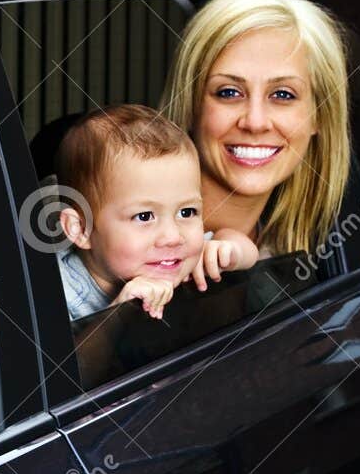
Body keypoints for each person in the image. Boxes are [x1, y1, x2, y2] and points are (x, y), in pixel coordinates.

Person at [160, 0, 351, 262]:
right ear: (190, 105)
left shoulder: (283, 255)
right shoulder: (133, 251)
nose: (255, 122)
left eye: (283, 94)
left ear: (319, 115)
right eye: (229, 92)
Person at [52, 104, 258, 322]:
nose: (173, 237)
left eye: (187, 212)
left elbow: (248, 252)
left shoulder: (180, 259)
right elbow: (75, 357)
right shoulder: (57, 292)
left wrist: (229, 250)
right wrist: (118, 315)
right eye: (144, 217)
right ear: (81, 229)